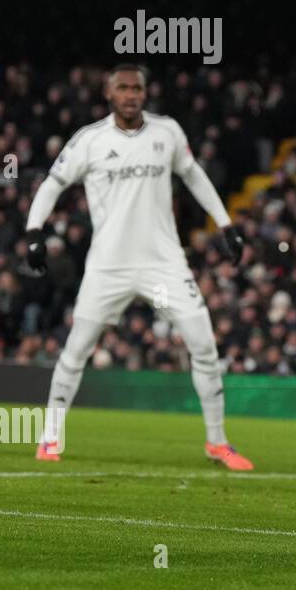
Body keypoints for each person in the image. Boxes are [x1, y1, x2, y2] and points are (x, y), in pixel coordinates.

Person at [23, 64, 251, 469]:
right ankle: (49, 438)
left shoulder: (167, 132)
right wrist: (34, 231)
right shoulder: (90, 140)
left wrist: (226, 224)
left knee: (203, 344)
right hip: (109, 266)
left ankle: (217, 442)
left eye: (137, 88)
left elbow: (194, 175)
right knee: (76, 350)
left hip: (163, 265)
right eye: (122, 88)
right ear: (109, 94)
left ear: (145, 93)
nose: (130, 94)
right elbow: (53, 183)